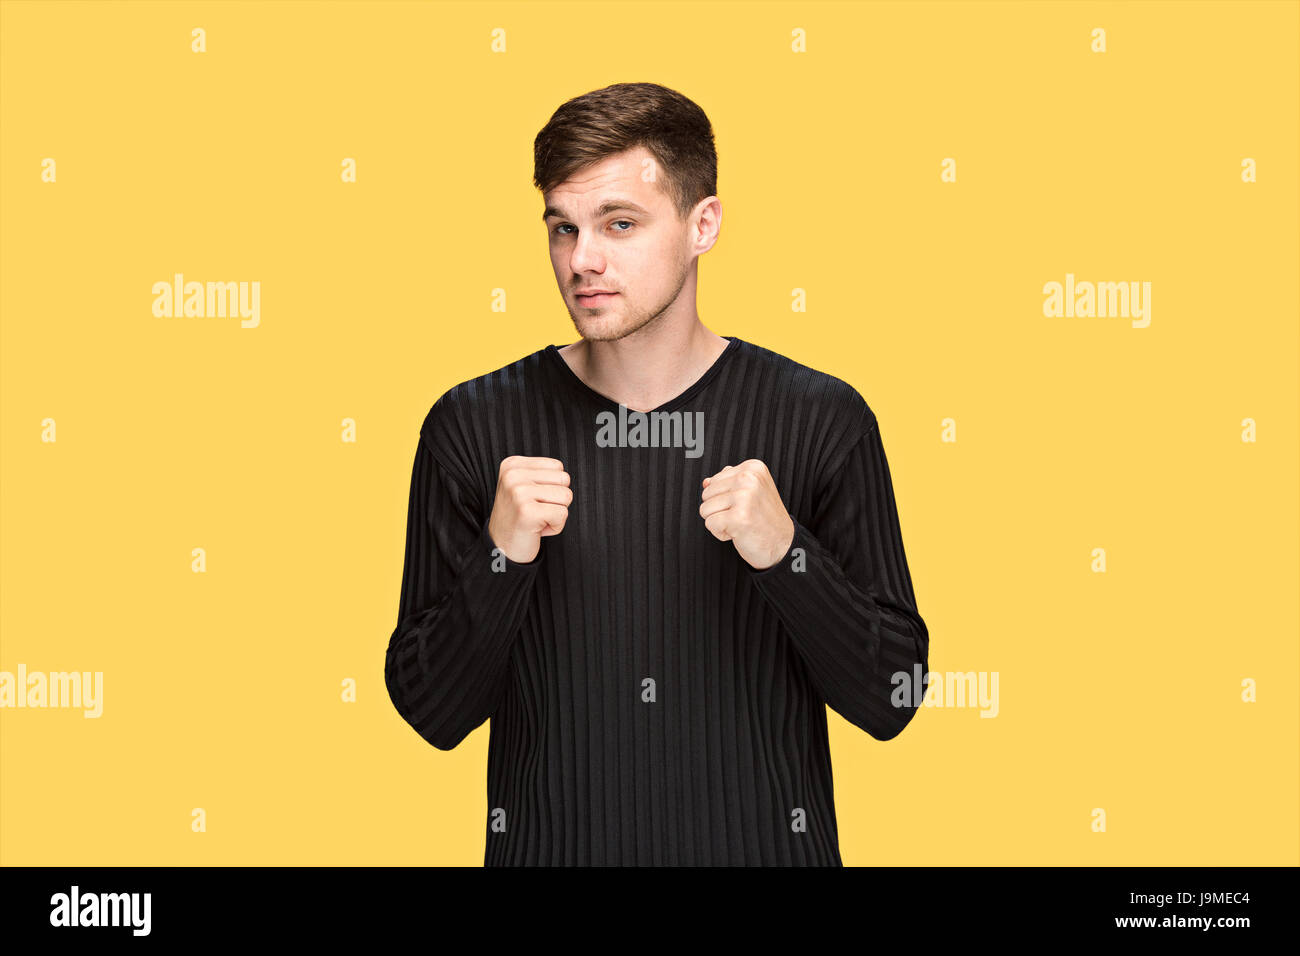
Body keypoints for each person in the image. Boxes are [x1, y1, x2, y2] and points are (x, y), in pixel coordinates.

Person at [385, 81, 929, 866]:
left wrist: (789, 555)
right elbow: (430, 712)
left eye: (620, 224)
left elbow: (892, 699)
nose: (583, 260)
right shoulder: (472, 427)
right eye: (563, 229)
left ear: (702, 224)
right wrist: (499, 561)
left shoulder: (822, 419)